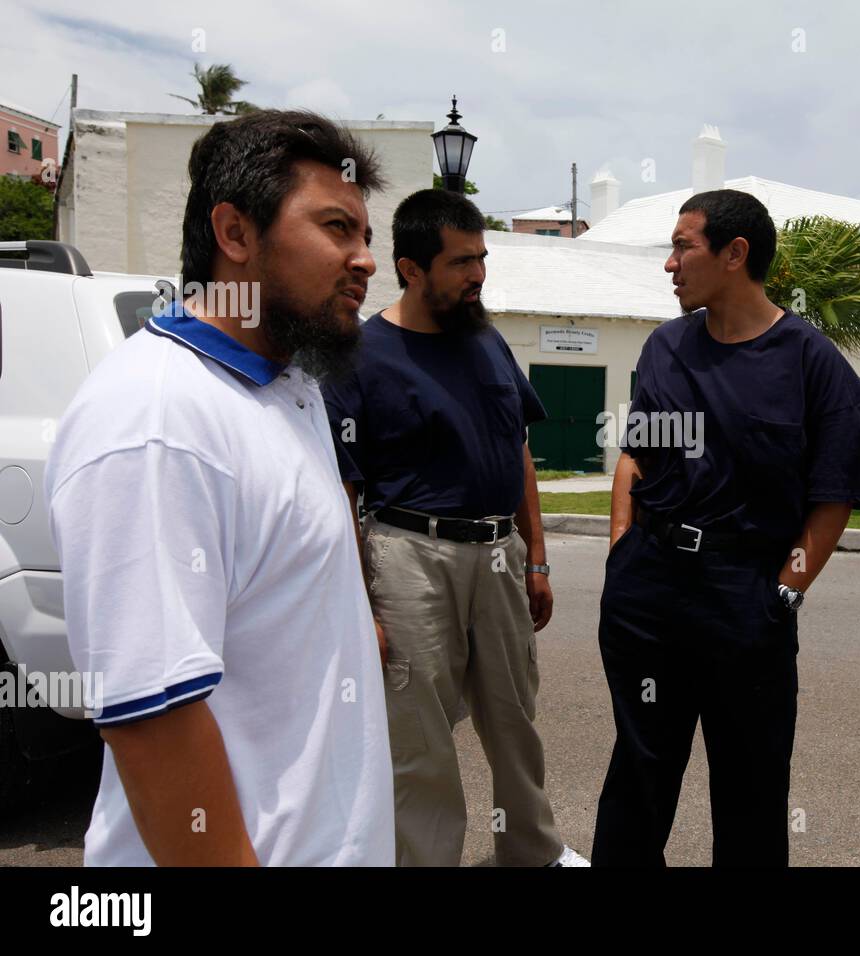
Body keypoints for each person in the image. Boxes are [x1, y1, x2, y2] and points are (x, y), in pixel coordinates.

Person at [45, 111, 394, 865]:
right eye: (338, 228)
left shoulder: (290, 382)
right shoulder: (155, 418)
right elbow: (152, 720)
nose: (366, 260)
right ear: (235, 233)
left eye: (368, 237)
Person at [592, 189, 860, 866]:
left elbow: (835, 496)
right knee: (638, 778)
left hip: (745, 595)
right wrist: (621, 556)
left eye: (682, 246)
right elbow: (636, 456)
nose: (669, 264)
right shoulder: (667, 346)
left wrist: (785, 591)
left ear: (735, 254)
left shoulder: (812, 363)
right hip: (650, 589)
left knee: (751, 792)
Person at [322, 189, 585, 867]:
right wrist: (362, 604)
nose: (478, 276)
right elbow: (345, 492)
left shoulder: (487, 340)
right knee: (420, 736)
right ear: (411, 268)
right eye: (462, 262)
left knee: (514, 720)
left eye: (482, 258)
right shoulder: (358, 355)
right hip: (410, 555)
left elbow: (516, 447)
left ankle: (532, 852)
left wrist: (537, 559)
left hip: (500, 553)